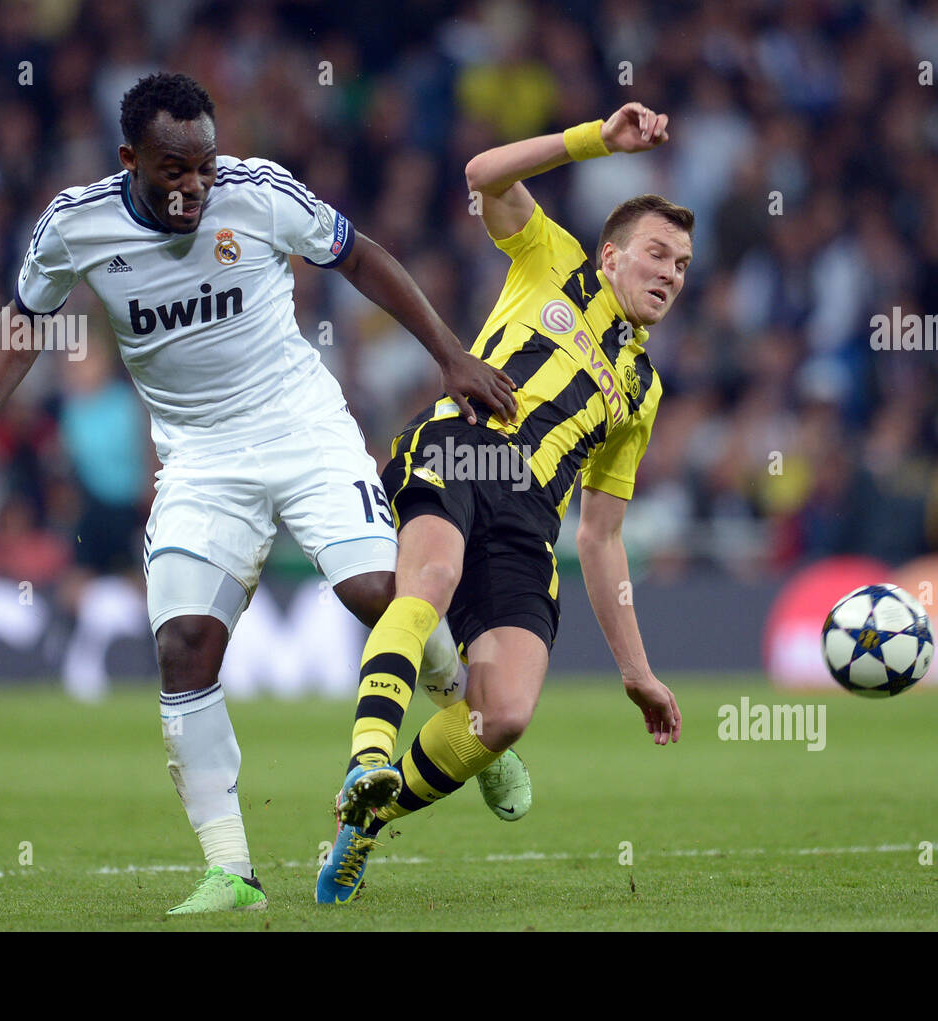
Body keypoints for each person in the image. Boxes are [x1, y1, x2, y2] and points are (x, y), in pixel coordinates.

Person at [0, 72, 530, 915]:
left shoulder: (260, 192)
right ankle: (231, 871)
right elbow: (26, 314)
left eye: (204, 167)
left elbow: (360, 256)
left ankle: (473, 725)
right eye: (173, 170)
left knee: (378, 594)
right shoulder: (76, 223)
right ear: (130, 158)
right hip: (201, 460)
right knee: (183, 646)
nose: (195, 188)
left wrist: (450, 355)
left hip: (303, 427)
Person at [317, 102, 689, 904]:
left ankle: (365, 818)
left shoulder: (644, 390)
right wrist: (595, 140)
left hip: (532, 520)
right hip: (462, 444)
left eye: (684, 266)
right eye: (657, 254)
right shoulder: (553, 258)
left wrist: (638, 671)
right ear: (613, 253)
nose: (670, 273)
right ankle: (368, 755)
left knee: (505, 716)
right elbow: (483, 173)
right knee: (430, 580)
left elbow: (600, 536)